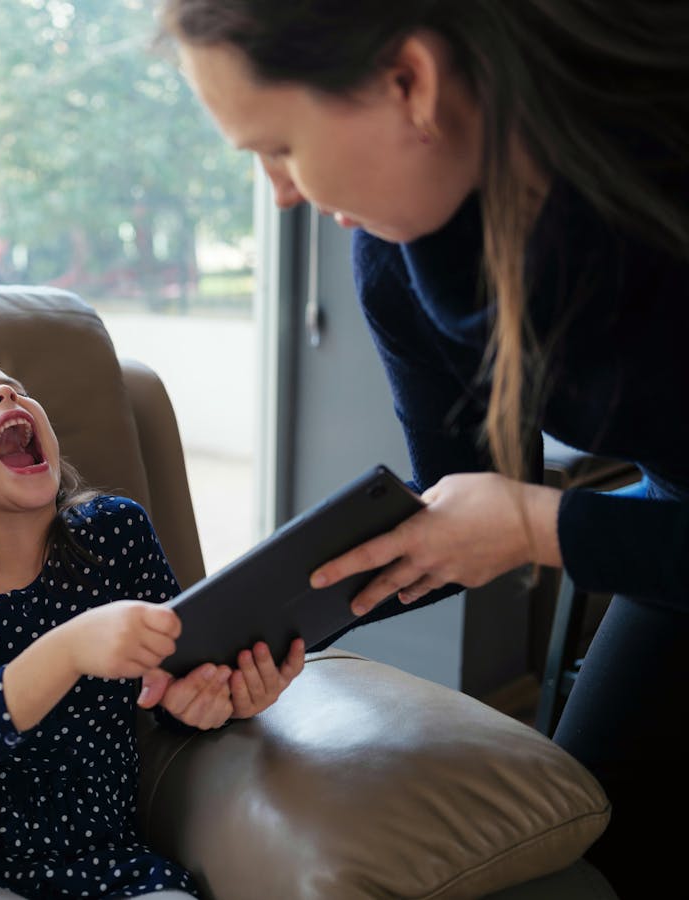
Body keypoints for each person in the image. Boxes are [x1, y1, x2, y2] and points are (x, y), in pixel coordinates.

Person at [159, 1, 689, 895]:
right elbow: (451, 514)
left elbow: (512, 519)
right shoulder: (397, 257)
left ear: (411, 83)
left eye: (279, 147)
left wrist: (540, 527)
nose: (279, 192)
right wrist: (259, 627)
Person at [0, 357, 304, 898]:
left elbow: (174, 676)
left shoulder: (115, 535)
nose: (2, 396)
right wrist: (69, 651)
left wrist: (211, 701)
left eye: (13, 388)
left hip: (113, 864)